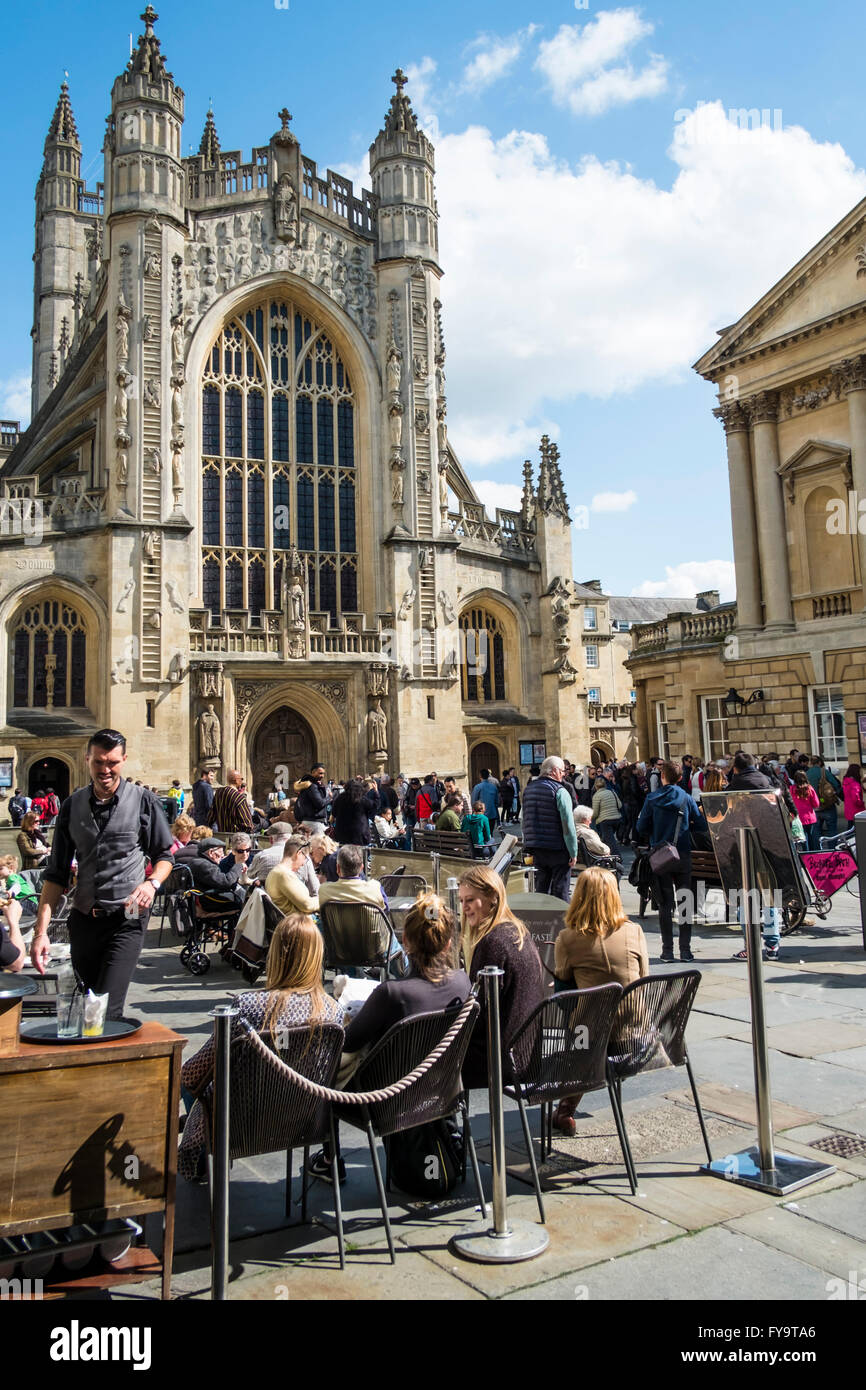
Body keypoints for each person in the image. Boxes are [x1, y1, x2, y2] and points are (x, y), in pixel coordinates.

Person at [307, 892, 471, 1182]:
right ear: (448, 943)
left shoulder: (392, 994)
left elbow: (347, 1042)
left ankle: (331, 1161)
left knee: (326, 1071)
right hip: (441, 1092)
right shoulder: (463, 982)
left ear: (405, 942)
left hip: (387, 1101)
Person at [179, 914, 344, 1183]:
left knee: (190, 1079)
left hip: (240, 1124)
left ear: (275, 953)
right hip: (304, 1121)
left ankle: (204, 1154)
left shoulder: (247, 1007)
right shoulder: (333, 1011)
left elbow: (193, 1074)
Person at [30, 729, 175, 1019]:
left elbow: (164, 856)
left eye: (112, 762)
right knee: (87, 1003)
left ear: (124, 760)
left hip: (129, 915)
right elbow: (56, 873)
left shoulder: (144, 801)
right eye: (98, 762)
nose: (105, 770)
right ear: (87, 760)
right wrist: (40, 932)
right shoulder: (72, 805)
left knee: (107, 1008)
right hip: (84, 916)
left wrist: (152, 884)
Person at [551, 866, 650, 1135]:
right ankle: (565, 1109)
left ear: (578, 897)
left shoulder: (568, 938)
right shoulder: (635, 932)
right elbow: (643, 980)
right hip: (637, 1041)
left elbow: (564, 997)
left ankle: (565, 1110)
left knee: (578, 1020)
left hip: (590, 1047)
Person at [458, 864, 543, 1089]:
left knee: (424, 1056)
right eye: (461, 901)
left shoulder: (492, 942)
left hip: (502, 1059)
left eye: (470, 900)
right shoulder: (518, 930)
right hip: (528, 1052)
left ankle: (439, 1125)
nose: (464, 908)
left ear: (492, 898)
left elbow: (477, 1012)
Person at [636, 759, 704, 963]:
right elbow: (700, 825)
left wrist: (656, 831)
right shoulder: (686, 797)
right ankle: (686, 950)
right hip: (682, 854)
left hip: (660, 855)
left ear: (662, 777)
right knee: (684, 902)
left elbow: (640, 827)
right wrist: (686, 824)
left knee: (665, 904)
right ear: (681, 778)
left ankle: (667, 951)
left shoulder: (652, 798)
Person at [726, 752, 783, 962]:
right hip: (770, 847)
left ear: (736, 768)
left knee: (745, 899)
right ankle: (773, 945)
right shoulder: (768, 782)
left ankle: (750, 946)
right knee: (770, 898)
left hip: (742, 848)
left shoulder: (733, 787)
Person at [520, 755, 578, 901]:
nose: (564, 774)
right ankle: (561, 922)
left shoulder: (528, 789)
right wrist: (573, 851)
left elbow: (525, 820)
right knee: (561, 891)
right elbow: (568, 824)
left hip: (537, 847)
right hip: (557, 848)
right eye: (563, 770)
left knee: (542, 889)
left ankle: (541, 921)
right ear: (554, 771)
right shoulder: (560, 791)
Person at [185, 836, 247, 913]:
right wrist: (238, 865)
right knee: (244, 903)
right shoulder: (204, 865)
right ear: (211, 853)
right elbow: (226, 882)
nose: (222, 855)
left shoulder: (196, 862)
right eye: (221, 852)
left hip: (203, 900)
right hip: (208, 903)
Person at [265, 836, 319, 915]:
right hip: (297, 923)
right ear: (299, 853)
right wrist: (324, 899)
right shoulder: (284, 875)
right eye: (305, 858)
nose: (304, 863)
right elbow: (307, 905)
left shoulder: (276, 872)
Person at [330, 777, 373, 845]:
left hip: (342, 834)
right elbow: (373, 808)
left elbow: (332, 816)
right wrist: (376, 793)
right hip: (359, 834)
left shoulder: (340, 798)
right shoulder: (362, 799)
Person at [591, 775, 622, 856]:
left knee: (611, 842)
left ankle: (617, 858)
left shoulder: (596, 796)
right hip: (617, 819)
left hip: (605, 821)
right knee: (606, 839)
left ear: (595, 786)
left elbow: (595, 813)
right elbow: (620, 805)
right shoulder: (612, 792)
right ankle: (605, 857)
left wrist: (590, 818)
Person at [293, 766, 329, 833]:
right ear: (313, 773)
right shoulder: (312, 786)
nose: (322, 776)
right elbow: (320, 803)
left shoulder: (305, 786)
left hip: (306, 821)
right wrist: (329, 798)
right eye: (320, 773)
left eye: (323, 773)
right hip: (316, 823)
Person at [791, 771, 820, 851]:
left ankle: (805, 856)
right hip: (810, 817)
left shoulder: (791, 789)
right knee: (812, 839)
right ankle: (813, 855)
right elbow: (816, 804)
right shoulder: (809, 789)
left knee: (803, 840)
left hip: (798, 818)